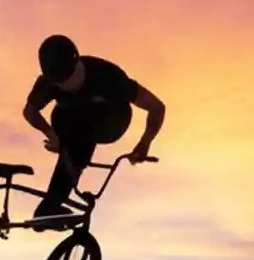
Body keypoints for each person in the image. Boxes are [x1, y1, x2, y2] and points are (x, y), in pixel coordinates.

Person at [22, 34, 165, 222]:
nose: (66, 87)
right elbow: (30, 112)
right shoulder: (47, 83)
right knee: (60, 115)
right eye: (59, 84)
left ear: (77, 65)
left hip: (113, 119)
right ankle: (52, 204)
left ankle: (54, 200)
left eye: (69, 80)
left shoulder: (108, 76)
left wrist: (144, 143)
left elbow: (156, 107)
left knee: (84, 122)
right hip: (74, 119)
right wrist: (52, 134)